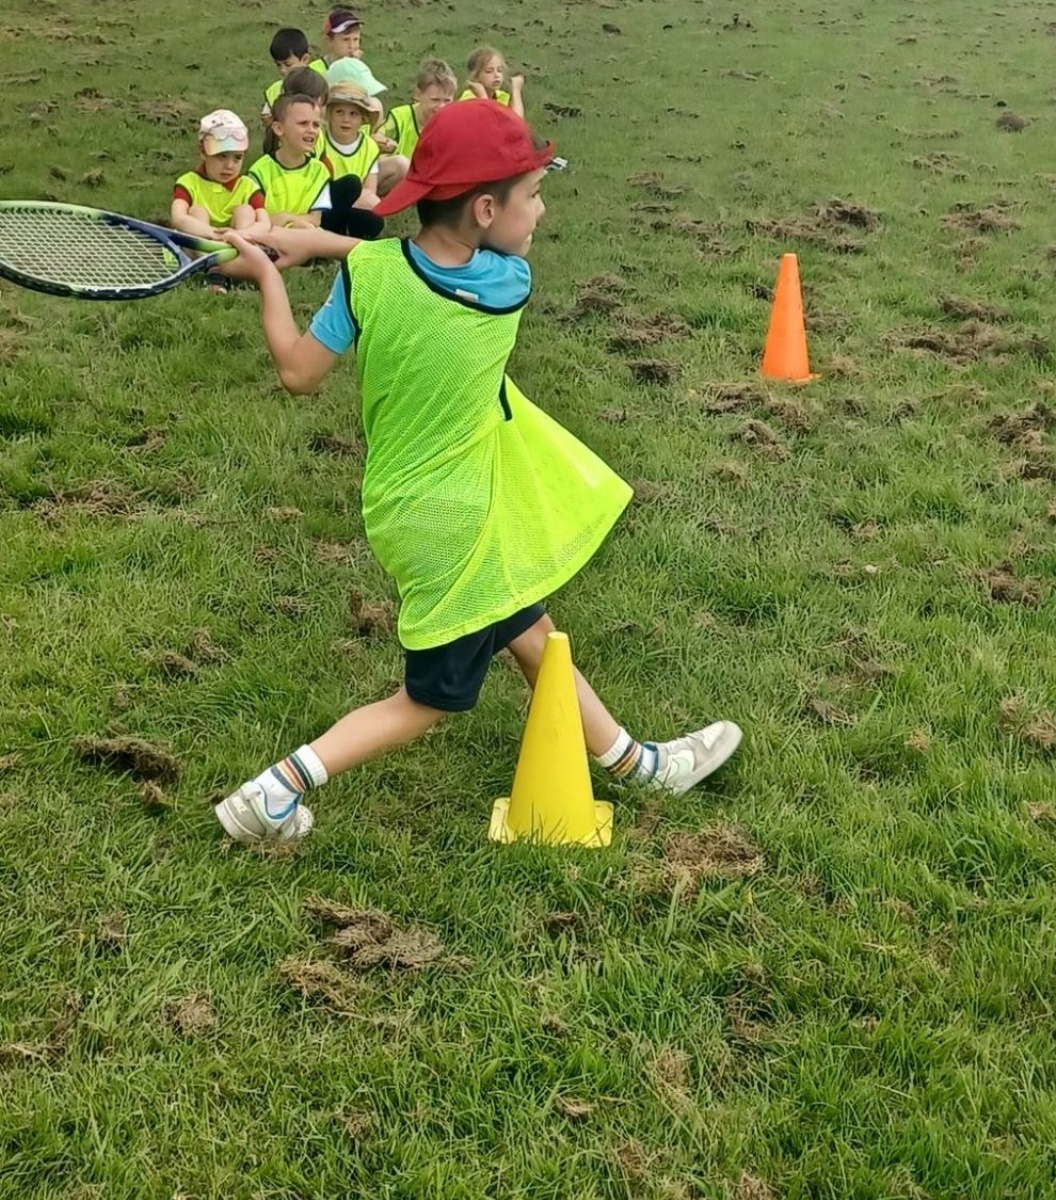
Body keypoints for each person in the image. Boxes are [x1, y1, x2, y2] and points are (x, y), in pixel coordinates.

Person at [214, 100, 741, 843]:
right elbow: (415, 251)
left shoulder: (368, 276)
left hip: (404, 512)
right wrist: (329, 242)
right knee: (427, 701)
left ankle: (639, 765)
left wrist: (272, 271)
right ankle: (275, 791)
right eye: (530, 196)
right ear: (487, 209)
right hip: (462, 518)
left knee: (526, 620)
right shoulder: (507, 286)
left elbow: (300, 373)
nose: (542, 209)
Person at [250, 94, 383, 239]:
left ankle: (339, 236)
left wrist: (288, 218)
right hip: (273, 232)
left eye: (316, 125)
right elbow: (258, 219)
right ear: (279, 129)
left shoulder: (319, 170)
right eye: (303, 123)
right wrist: (288, 223)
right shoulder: (260, 171)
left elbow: (316, 219)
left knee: (371, 219)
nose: (312, 130)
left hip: (307, 229)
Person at [171, 110, 271, 292]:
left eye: (237, 157)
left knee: (246, 211)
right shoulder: (189, 182)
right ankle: (215, 268)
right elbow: (178, 217)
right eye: (221, 156)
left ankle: (237, 265)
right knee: (196, 211)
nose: (230, 165)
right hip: (198, 247)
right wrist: (211, 233)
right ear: (203, 152)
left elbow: (265, 223)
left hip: (234, 243)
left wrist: (240, 235)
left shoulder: (248, 186)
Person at [376, 58, 455, 194]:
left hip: (427, 181)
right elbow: (373, 153)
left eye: (447, 100)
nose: (441, 107)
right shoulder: (398, 117)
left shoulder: (453, 122)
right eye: (435, 100)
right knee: (401, 164)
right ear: (418, 95)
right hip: (398, 176)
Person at [321, 81, 381, 208]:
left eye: (353, 114)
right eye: (339, 112)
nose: (346, 119)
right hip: (323, 198)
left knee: (373, 203)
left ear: (362, 118)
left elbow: (370, 189)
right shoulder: (318, 141)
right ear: (329, 115)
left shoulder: (369, 145)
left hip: (356, 199)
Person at [262, 27, 326, 120]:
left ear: (305, 59)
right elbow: (266, 117)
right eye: (278, 65)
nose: (283, 70)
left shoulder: (318, 86)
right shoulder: (275, 90)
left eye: (288, 64)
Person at [459, 45, 524, 118]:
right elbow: (489, 121)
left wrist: (516, 90)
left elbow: (517, 122)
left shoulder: (501, 97)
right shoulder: (469, 99)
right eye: (489, 71)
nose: (496, 75)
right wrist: (482, 95)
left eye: (499, 70)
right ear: (476, 76)